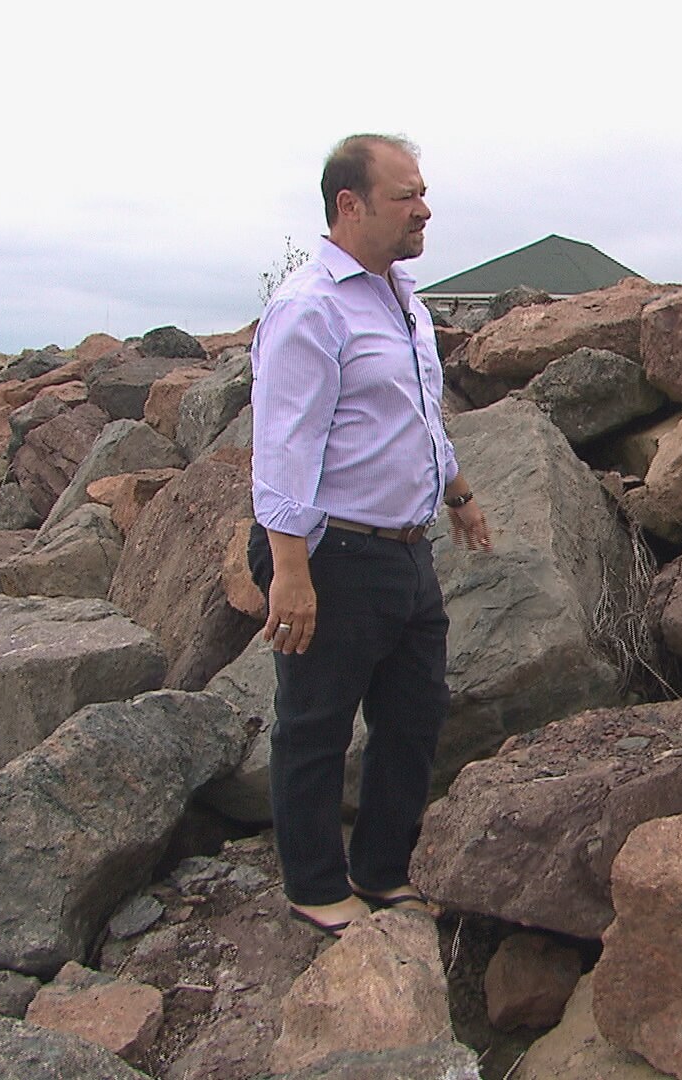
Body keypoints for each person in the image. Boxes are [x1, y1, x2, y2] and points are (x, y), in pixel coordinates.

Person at [249, 133, 491, 935]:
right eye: (406, 196)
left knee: (416, 714)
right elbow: (283, 444)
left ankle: (383, 870)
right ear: (349, 206)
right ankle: (314, 887)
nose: (423, 210)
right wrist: (289, 570)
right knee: (315, 724)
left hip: (404, 546)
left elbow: (413, 413)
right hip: (330, 551)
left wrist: (456, 491)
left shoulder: (402, 298)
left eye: (423, 194)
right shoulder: (308, 306)